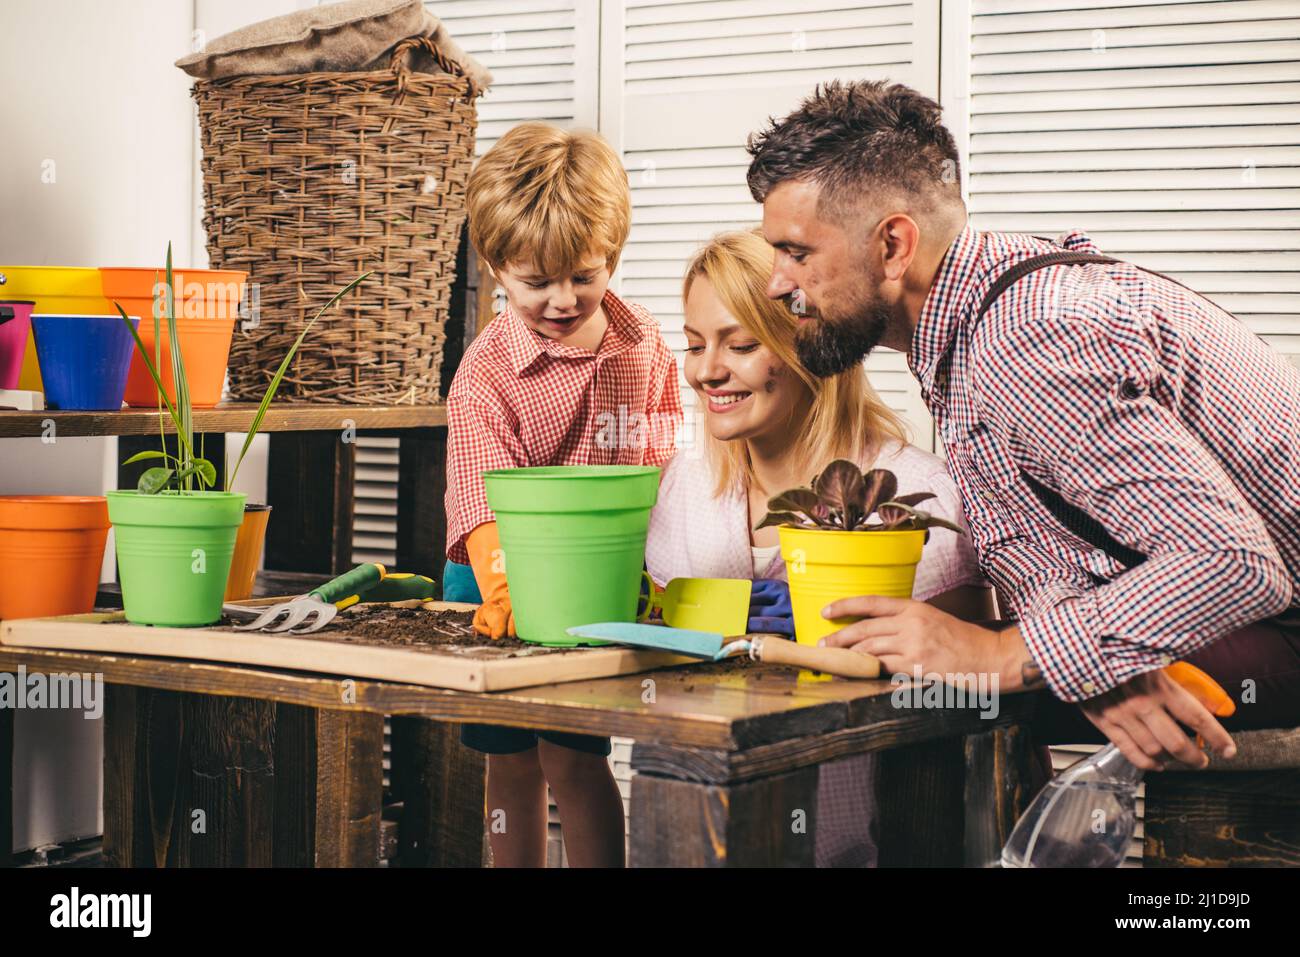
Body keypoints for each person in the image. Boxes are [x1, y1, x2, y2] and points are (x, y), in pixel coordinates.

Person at [743, 79, 1300, 771]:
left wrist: (1015, 655)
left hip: (1282, 621)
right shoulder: (973, 321)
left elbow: (1234, 563)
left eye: (796, 251)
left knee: (940, 691)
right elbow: (1058, 544)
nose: (775, 282)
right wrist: (1082, 662)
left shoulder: (1028, 341)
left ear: (893, 245)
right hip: (1261, 614)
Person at [645, 228, 994, 865]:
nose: (707, 371)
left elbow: (966, 680)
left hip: (869, 842)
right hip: (699, 834)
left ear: (811, 347)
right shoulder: (687, 485)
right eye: (695, 345)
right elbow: (662, 637)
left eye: (741, 345)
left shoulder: (917, 491)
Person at [444, 121, 683, 867]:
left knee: (577, 757)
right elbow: (481, 503)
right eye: (535, 281)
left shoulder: (642, 347)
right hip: (494, 576)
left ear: (612, 257)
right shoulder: (484, 374)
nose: (562, 298)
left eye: (584, 275)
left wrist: (657, 573)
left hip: (596, 577)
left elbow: (665, 467)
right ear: (495, 268)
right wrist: (508, 585)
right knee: (510, 758)